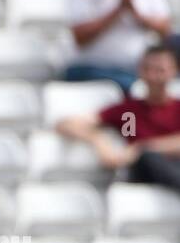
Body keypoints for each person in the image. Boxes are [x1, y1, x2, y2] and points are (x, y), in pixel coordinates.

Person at [58, 44, 180, 192]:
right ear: (140, 70)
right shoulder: (128, 110)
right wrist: (98, 139)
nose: (153, 76)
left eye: (160, 70)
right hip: (143, 173)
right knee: (148, 158)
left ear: (174, 71)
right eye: (148, 69)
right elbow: (66, 124)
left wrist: (142, 148)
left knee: (149, 155)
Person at [65, 0, 173, 93]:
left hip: (139, 72)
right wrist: (118, 10)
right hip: (93, 70)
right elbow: (80, 36)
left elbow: (164, 28)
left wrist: (134, 12)